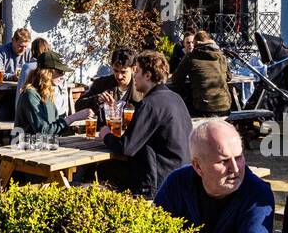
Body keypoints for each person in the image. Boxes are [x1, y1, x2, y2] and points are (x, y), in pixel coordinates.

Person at [153, 120, 275, 233]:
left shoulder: (257, 195)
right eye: (223, 161)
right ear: (198, 166)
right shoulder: (177, 184)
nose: (235, 168)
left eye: (238, 157)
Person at [100, 50, 190, 199]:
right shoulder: (175, 98)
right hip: (181, 174)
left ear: (147, 76)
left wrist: (106, 135)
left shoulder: (150, 104)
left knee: (101, 171)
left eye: (137, 72)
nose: (134, 76)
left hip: (157, 182)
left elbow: (126, 147)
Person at [14, 53, 93, 139]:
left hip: (44, 144)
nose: (63, 76)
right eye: (60, 72)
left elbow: (53, 127)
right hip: (26, 145)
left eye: (64, 73)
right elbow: (44, 132)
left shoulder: (46, 93)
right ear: (47, 72)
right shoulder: (30, 94)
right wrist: (73, 118)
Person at [170, 30, 232, 116]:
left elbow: (176, 79)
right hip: (225, 107)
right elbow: (229, 77)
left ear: (196, 43)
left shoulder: (191, 57)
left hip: (203, 108)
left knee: (180, 107)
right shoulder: (221, 57)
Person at [75, 47, 136, 118]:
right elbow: (78, 106)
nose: (119, 76)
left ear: (133, 69)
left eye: (123, 72)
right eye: (116, 71)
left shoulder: (142, 88)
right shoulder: (101, 84)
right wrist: (97, 99)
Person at [0, 28, 31, 119]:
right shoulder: (1, 52)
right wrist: (12, 77)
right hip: (3, 95)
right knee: (2, 114)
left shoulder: (29, 53)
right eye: (20, 46)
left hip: (22, 95)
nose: (23, 49)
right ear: (13, 41)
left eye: (25, 46)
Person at [15, 37, 56, 112]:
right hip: (49, 107)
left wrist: (17, 111)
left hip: (30, 108)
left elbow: (21, 90)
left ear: (33, 51)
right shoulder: (52, 67)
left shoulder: (28, 67)